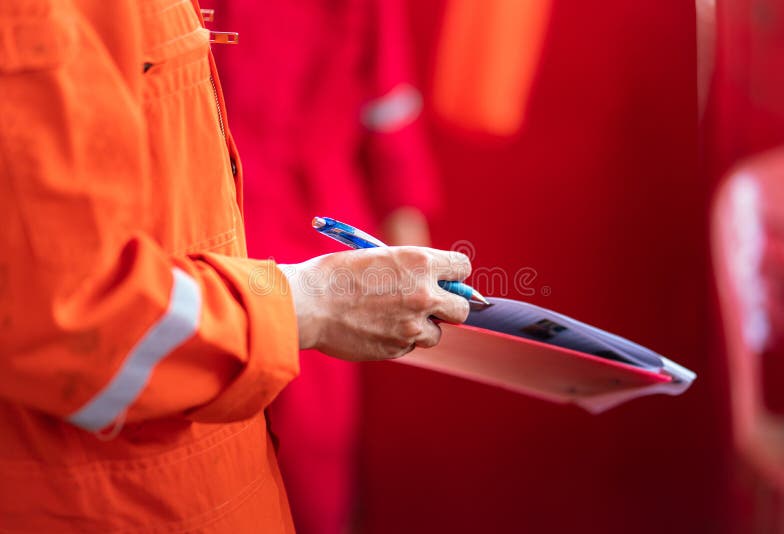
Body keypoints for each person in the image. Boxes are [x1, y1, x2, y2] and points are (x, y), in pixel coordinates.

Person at [0, 1, 470, 532]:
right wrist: (309, 303)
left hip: (314, 255)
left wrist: (408, 260)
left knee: (312, 469)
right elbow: (68, 306)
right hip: (213, 274)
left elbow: (388, 101)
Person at [213, 1, 441, 531]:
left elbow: (389, 105)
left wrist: (420, 261)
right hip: (207, 238)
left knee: (308, 462)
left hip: (320, 245)